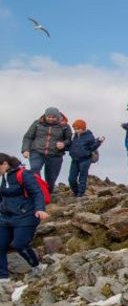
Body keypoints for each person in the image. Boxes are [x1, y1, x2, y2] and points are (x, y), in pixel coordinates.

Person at [0, 153, 48, 283]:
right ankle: (3, 278)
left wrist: (40, 209)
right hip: (6, 216)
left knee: (19, 244)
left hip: (26, 215)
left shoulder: (24, 174)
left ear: (5, 164)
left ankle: (37, 266)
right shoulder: (1, 178)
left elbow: (37, 192)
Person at [21, 107, 72, 195]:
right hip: (37, 152)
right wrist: (25, 150)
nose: (51, 119)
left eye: (53, 117)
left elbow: (69, 140)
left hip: (55, 155)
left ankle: (47, 193)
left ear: (58, 117)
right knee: (35, 169)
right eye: (48, 117)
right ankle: (38, 192)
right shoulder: (37, 123)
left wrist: (63, 144)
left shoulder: (65, 126)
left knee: (51, 179)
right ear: (45, 115)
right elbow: (28, 137)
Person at [67, 120, 104, 198]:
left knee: (82, 177)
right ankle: (76, 192)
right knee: (71, 179)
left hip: (85, 159)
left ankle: (80, 194)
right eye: (75, 129)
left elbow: (93, 147)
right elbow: (70, 146)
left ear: (83, 128)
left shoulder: (89, 136)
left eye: (78, 129)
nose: (76, 130)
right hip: (74, 159)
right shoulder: (74, 136)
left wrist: (99, 142)